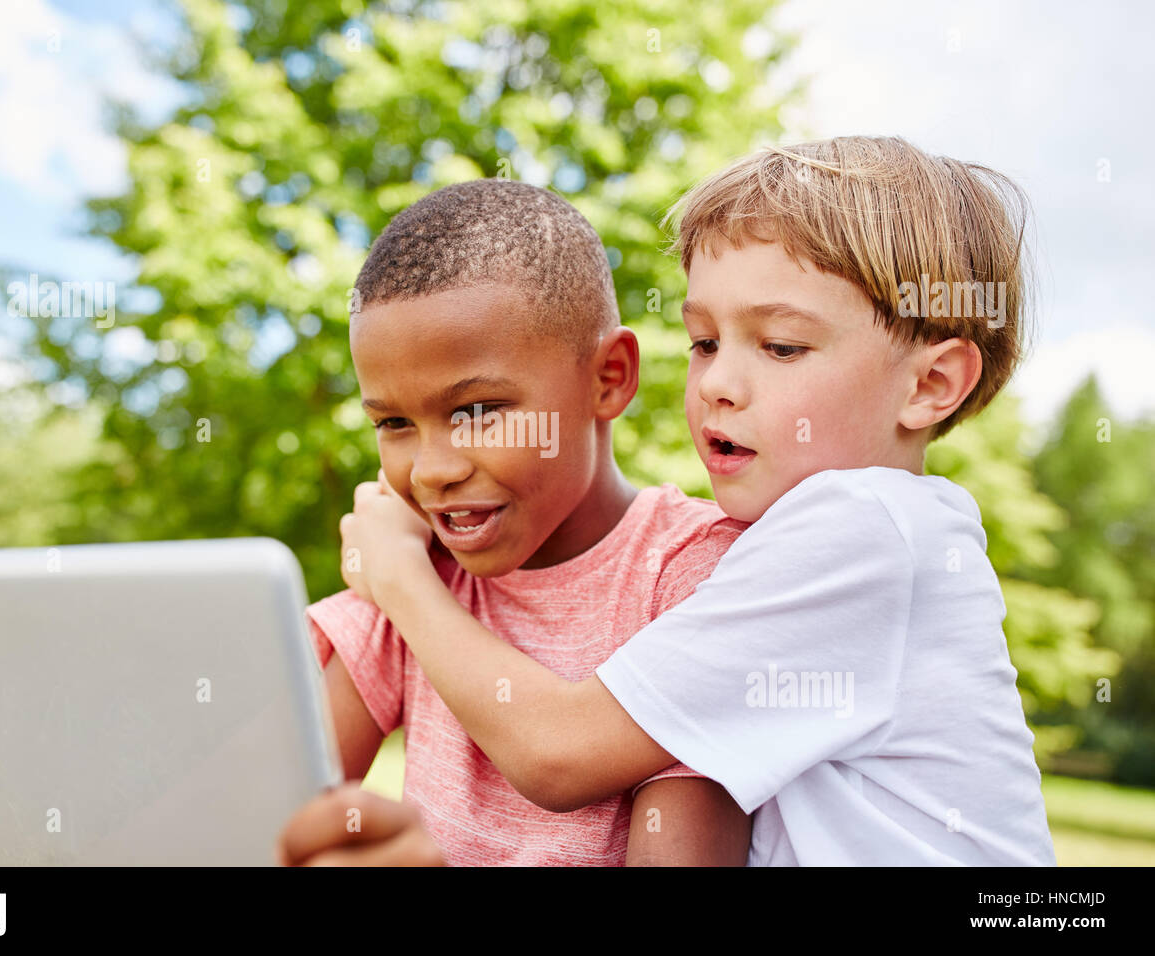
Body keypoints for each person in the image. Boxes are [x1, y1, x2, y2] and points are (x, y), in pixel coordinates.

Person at [291, 136, 1057, 866]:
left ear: (929, 385)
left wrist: (397, 578)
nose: (718, 383)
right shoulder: (806, 543)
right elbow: (260, 816)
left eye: (781, 347)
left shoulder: (861, 531)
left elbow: (559, 754)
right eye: (704, 342)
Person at [295, 177, 753, 866]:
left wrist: (400, 583)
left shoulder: (693, 573)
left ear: (609, 377)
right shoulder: (415, 579)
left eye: (476, 411)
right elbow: (265, 820)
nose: (430, 471)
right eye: (393, 422)